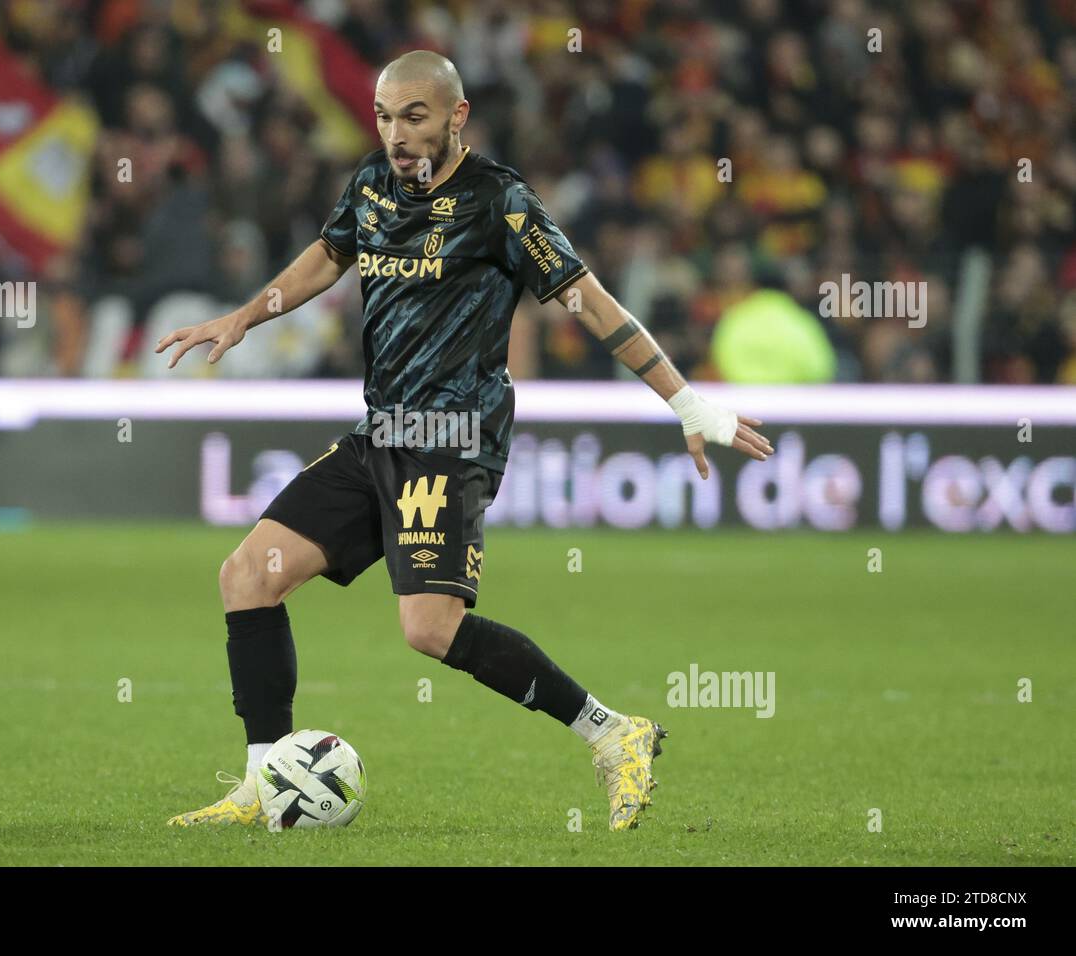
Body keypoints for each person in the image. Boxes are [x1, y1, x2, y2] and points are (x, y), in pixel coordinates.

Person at [157, 51, 774, 831]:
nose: (395, 133)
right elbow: (331, 254)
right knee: (247, 574)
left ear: (457, 116)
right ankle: (262, 778)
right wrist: (248, 313)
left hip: (451, 444)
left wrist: (687, 403)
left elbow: (590, 302)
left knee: (429, 628)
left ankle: (615, 733)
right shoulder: (372, 185)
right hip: (378, 434)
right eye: (383, 116)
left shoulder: (501, 201)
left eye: (412, 115)